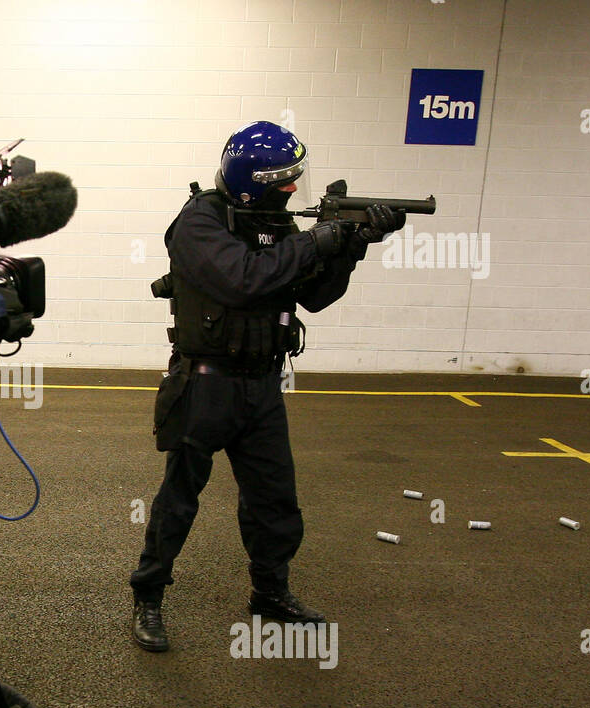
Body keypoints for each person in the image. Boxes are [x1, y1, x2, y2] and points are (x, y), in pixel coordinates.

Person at [130, 120, 404, 652]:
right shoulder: (199, 222)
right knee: (179, 500)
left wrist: (352, 244)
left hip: (261, 387)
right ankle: (149, 596)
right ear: (252, 179)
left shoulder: (275, 222)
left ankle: (270, 593)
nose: (291, 191)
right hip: (203, 385)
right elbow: (244, 278)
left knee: (274, 500)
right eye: (283, 181)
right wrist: (320, 240)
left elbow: (316, 295)